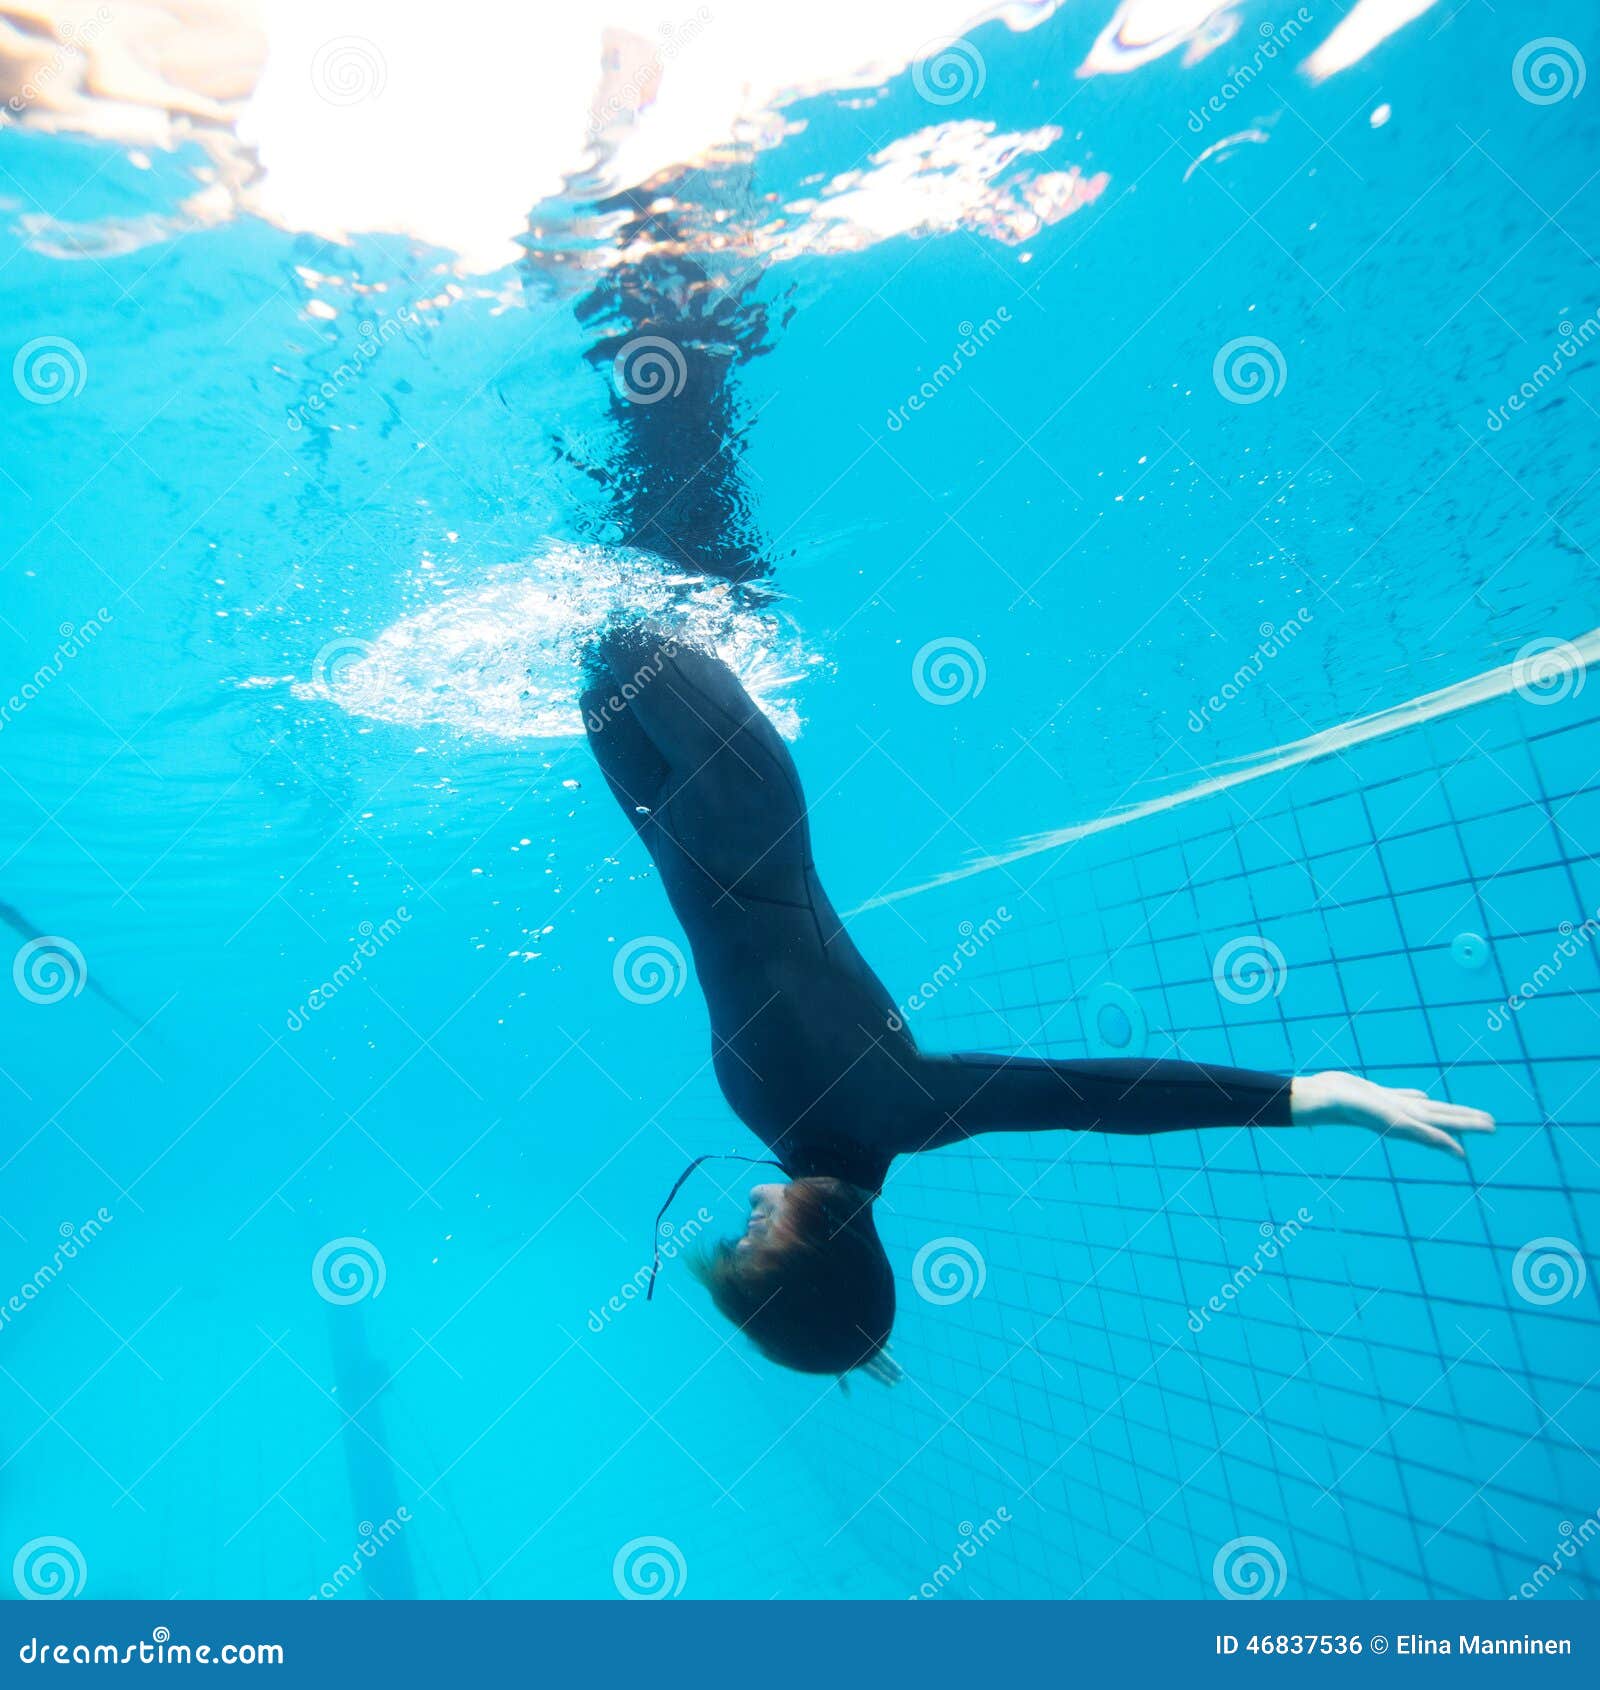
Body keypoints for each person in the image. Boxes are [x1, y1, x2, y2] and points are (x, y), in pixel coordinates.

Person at [580, 633, 1496, 1383]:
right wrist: (1309, 1097)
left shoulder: (809, 1141)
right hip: (736, 800)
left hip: (667, 822)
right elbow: (1092, 1098)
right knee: (637, 588)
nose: (747, 1205)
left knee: (594, 627)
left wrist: (849, 1335)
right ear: (824, 1245)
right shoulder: (896, 1112)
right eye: (758, 1237)